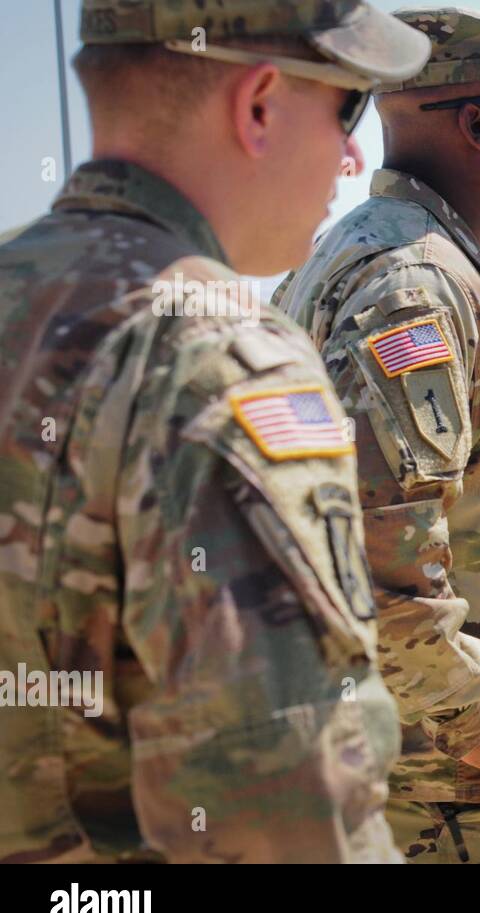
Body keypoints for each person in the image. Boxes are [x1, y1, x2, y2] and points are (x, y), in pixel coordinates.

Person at [0, 0, 431, 862]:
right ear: (260, 104)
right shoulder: (221, 356)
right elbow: (284, 804)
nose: (353, 156)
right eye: (348, 108)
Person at [273, 7, 480, 864]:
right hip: (445, 786)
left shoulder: (393, 257)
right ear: (476, 124)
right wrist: (462, 714)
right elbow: (373, 543)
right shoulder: (412, 283)